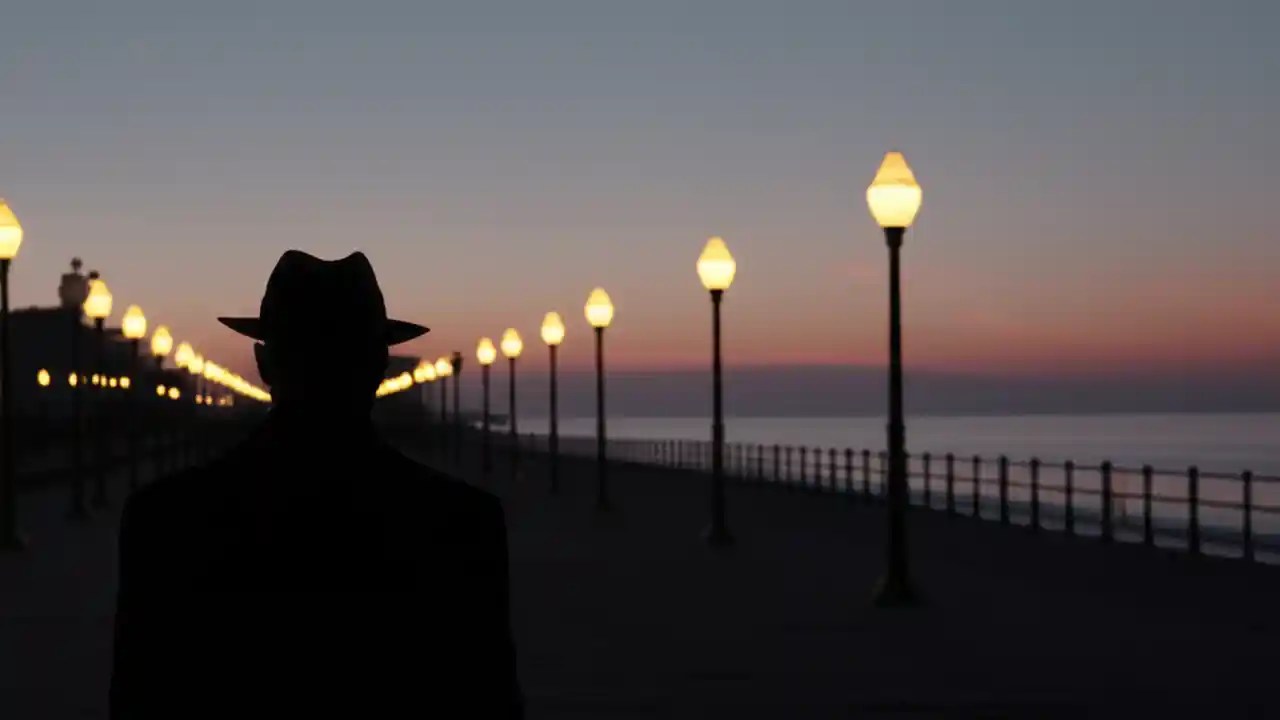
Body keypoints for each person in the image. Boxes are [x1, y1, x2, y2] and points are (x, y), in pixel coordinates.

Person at [109, 251, 522, 718]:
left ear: (263, 363)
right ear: (380, 367)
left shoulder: (165, 521)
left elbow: (137, 700)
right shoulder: (464, 525)